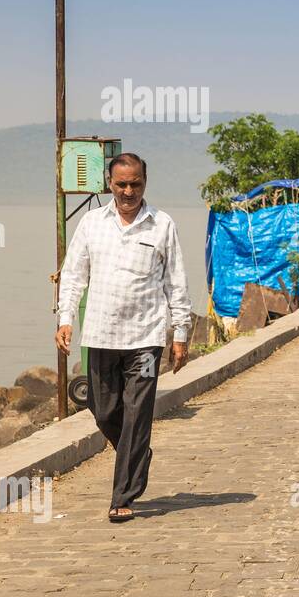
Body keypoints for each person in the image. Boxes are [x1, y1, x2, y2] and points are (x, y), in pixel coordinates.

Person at [55, 153, 191, 523]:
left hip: (145, 337)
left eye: (135, 184)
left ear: (145, 182)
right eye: (121, 184)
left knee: (137, 414)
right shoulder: (91, 224)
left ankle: (123, 494)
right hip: (100, 333)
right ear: (109, 184)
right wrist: (65, 318)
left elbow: (176, 282)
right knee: (104, 409)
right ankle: (137, 454)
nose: (129, 191)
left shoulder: (162, 224)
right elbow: (73, 275)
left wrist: (181, 334)